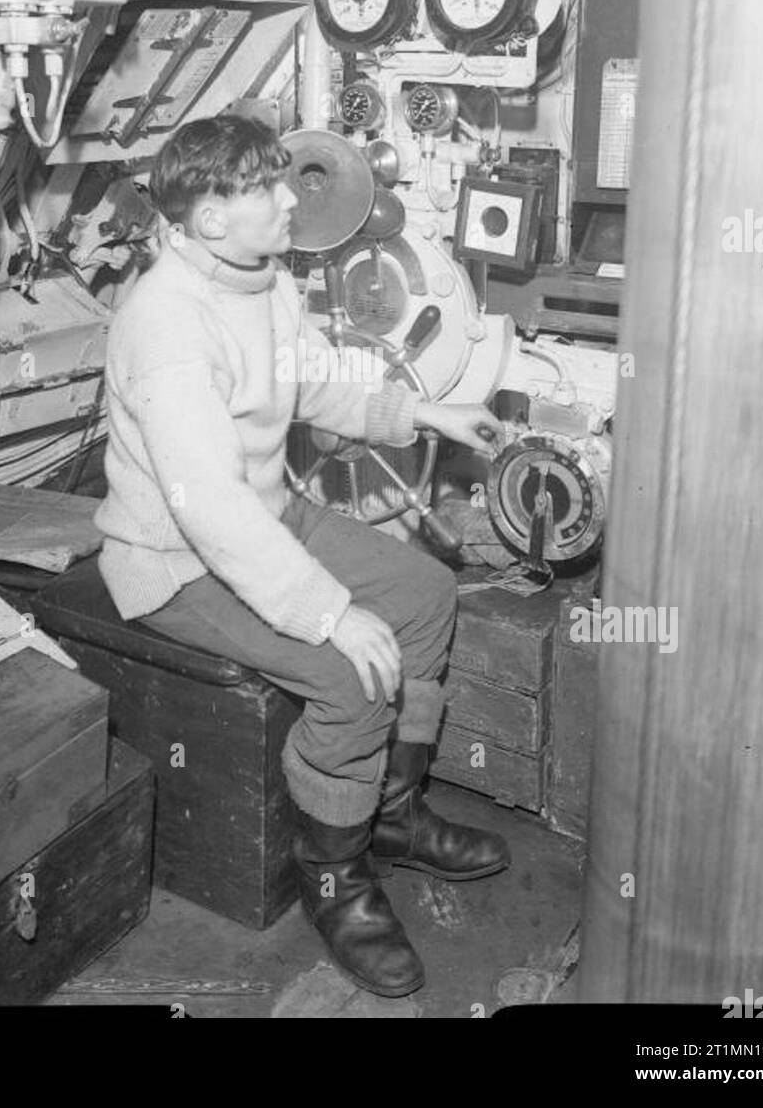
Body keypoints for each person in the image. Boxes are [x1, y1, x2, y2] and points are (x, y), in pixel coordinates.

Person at [94, 114, 510, 998]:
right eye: (267, 189)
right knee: (351, 675)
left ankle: (390, 813)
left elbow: (319, 380)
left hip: (264, 521)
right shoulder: (166, 325)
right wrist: (328, 612)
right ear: (210, 217)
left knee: (429, 596)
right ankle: (336, 879)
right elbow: (205, 507)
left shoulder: (265, 281)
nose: (293, 200)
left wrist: (427, 415)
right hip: (177, 561)